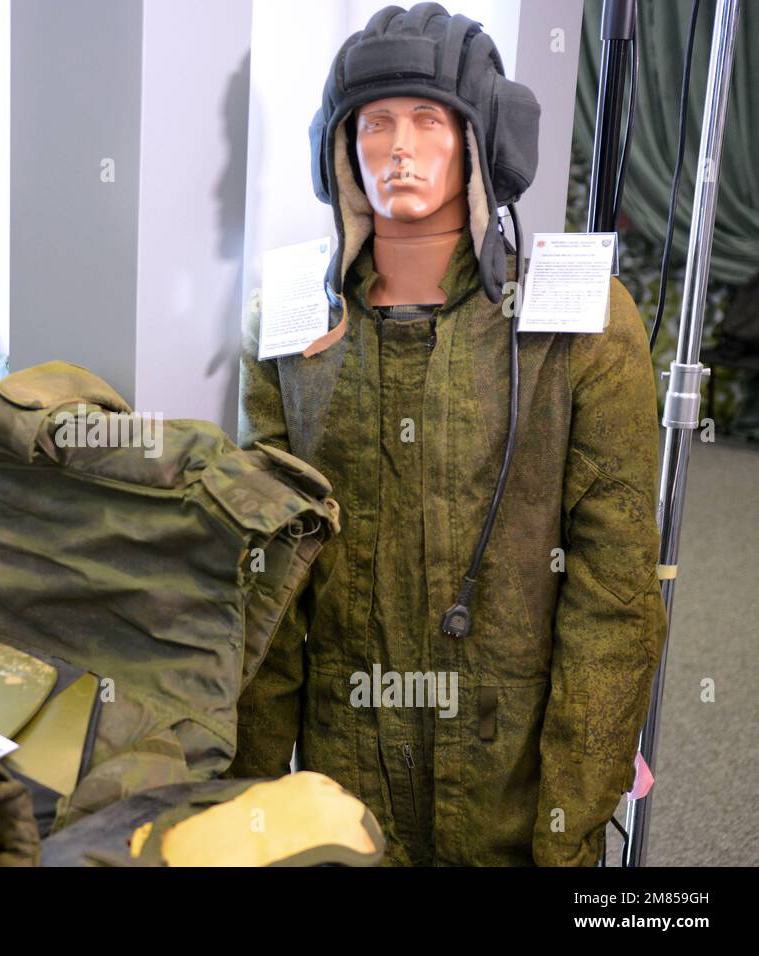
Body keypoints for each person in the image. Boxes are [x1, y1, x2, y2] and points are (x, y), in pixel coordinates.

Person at [234, 3, 666, 866]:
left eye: (429, 120)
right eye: (376, 121)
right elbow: (269, 589)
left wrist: (569, 823)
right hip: (344, 769)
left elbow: (613, 598)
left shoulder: (577, 328)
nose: (400, 146)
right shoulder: (286, 331)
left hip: (509, 777)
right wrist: (247, 800)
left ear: (482, 141)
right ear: (340, 146)